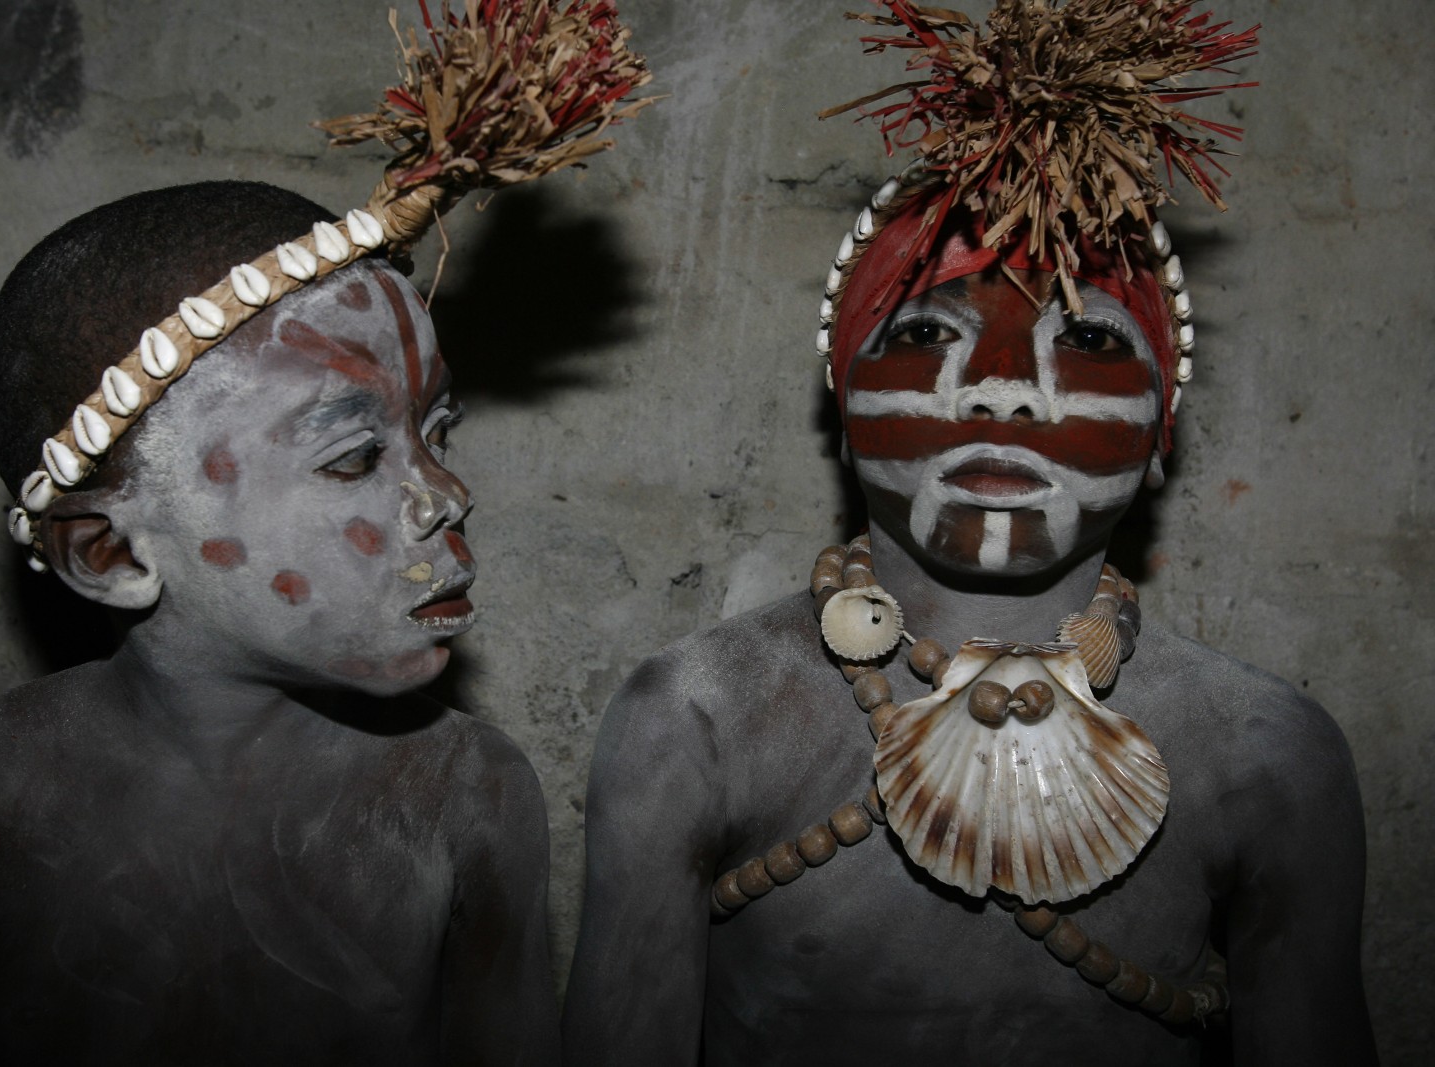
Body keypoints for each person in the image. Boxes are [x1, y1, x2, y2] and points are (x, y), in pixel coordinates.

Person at [563, 3, 1376, 1064]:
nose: (1001, 385)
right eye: (922, 330)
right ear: (841, 411)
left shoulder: (1265, 753)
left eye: (1087, 338)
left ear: (1161, 431)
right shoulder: (698, 716)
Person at [0, 180, 558, 1064]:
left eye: (436, 432)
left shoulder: (466, 789)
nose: (446, 494)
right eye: (355, 456)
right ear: (110, 554)